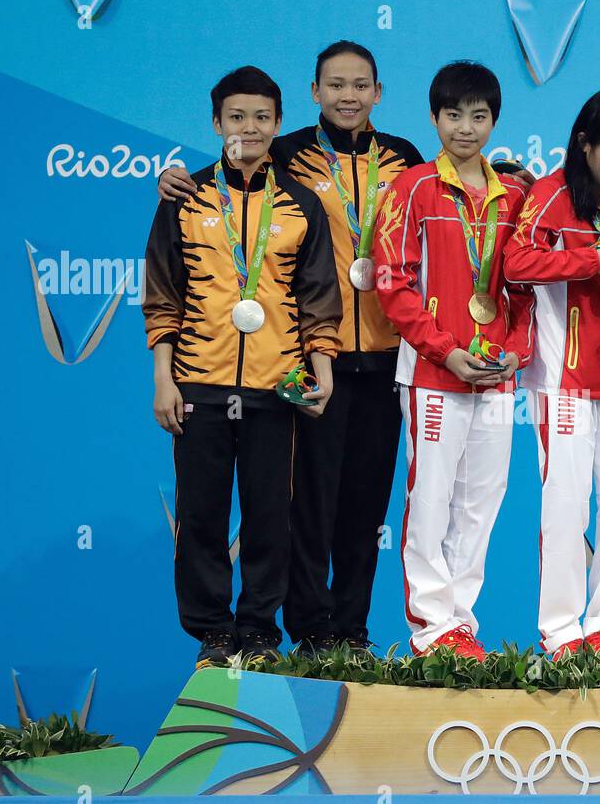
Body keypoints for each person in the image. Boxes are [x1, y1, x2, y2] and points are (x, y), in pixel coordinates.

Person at [159, 42, 423, 656]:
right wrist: (172, 180)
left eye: (361, 85)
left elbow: (442, 195)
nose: (348, 96)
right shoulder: (286, 152)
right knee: (307, 504)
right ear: (314, 92)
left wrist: (511, 175)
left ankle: (351, 629)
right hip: (307, 364)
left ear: (379, 92)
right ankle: (309, 625)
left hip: (385, 353)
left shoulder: (404, 158)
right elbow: (228, 187)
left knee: (364, 505)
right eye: (335, 84)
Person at [143, 66, 341, 668]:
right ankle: (211, 630)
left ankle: (257, 628)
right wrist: (163, 378)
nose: (248, 128)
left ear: (278, 124)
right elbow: (162, 296)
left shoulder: (302, 204)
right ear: (216, 124)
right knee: (201, 513)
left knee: (269, 516)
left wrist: (323, 370)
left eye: (261, 117)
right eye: (236, 117)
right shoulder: (184, 200)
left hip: (275, 387)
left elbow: (317, 298)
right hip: (198, 382)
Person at [374, 61, 534, 661]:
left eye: (479, 116)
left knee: (482, 500)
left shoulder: (515, 194)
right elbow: (393, 283)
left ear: (495, 120)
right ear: (434, 118)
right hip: (433, 373)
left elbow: (524, 285)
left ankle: (460, 623)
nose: (465, 128)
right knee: (431, 495)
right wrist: (445, 350)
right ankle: (430, 626)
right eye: (452, 115)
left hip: (494, 375)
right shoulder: (411, 188)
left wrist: (514, 353)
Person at [503, 90, 600, 660]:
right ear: (584, 145)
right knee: (566, 501)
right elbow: (515, 263)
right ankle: (561, 631)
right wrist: (592, 261)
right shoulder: (550, 196)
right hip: (560, 377)